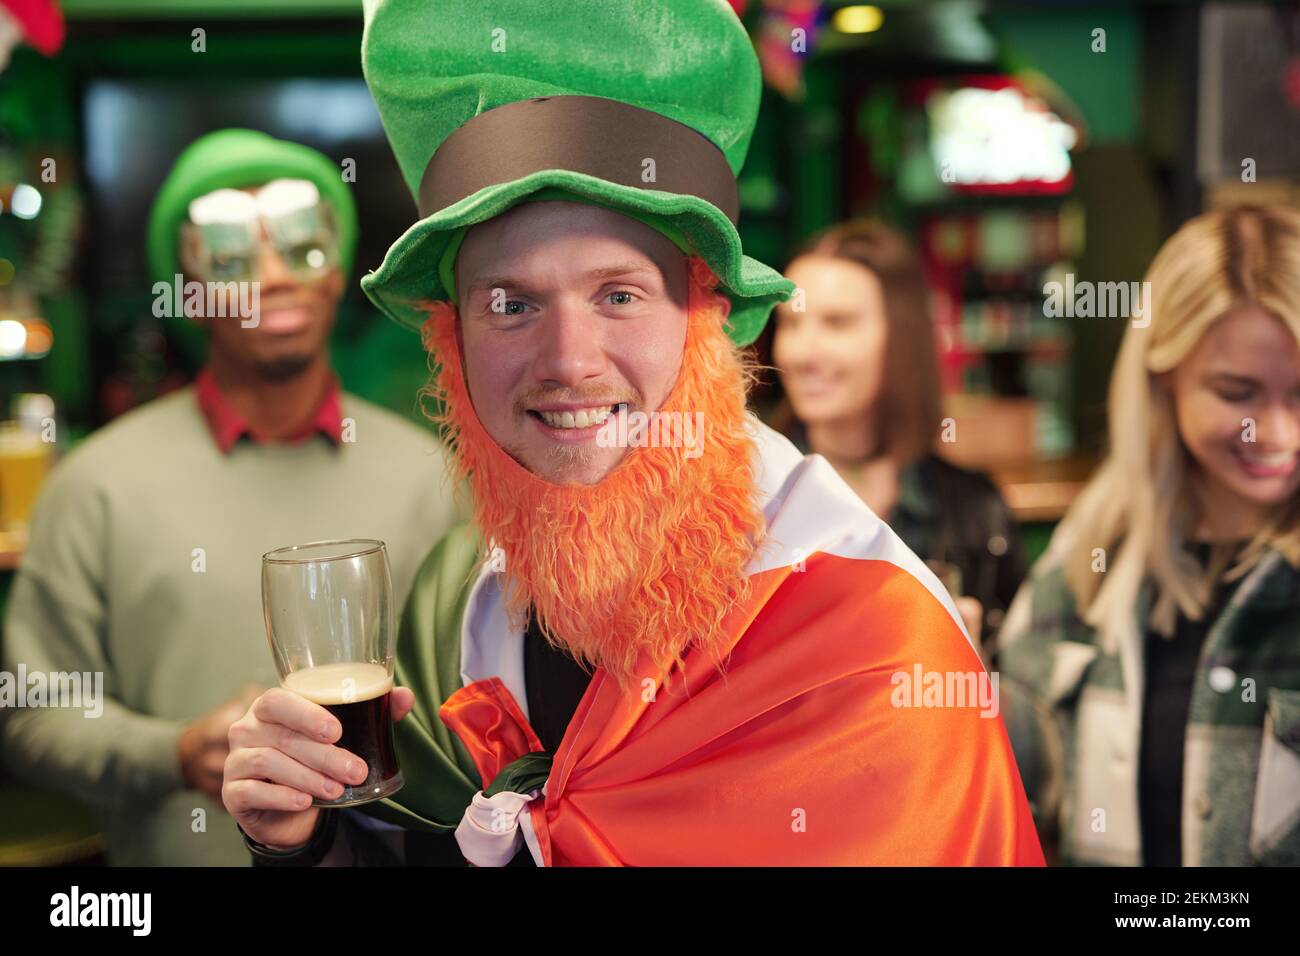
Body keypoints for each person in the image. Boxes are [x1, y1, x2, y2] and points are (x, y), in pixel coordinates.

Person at [223, 0, 1043, 867]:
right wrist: (302, 838)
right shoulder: (453, 603)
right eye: (511, 304)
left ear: (707, 317)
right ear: (450, 342)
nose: (569, 363)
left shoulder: (871, 638)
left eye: (620, 294)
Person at [0, 129, 459, 865]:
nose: (273, 277)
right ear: (187, 289)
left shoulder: (433, 476)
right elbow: (32, 714)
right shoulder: (96, 486)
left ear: (338, 270)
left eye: (302, 248)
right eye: (233, 257)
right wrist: (173, 752)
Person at [998, 205, 1300, 866]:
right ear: (1164, 377)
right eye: (1238, 393)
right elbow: (1003, 789)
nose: (1278, 433)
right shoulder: (1090, 554)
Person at [772, 220, 1026, 653]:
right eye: (791, 324)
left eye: (837, 323)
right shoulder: (744, 495)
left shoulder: (973, 511)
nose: (803, 352)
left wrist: (968, 660)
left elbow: (1016, 695)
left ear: (900, 335)